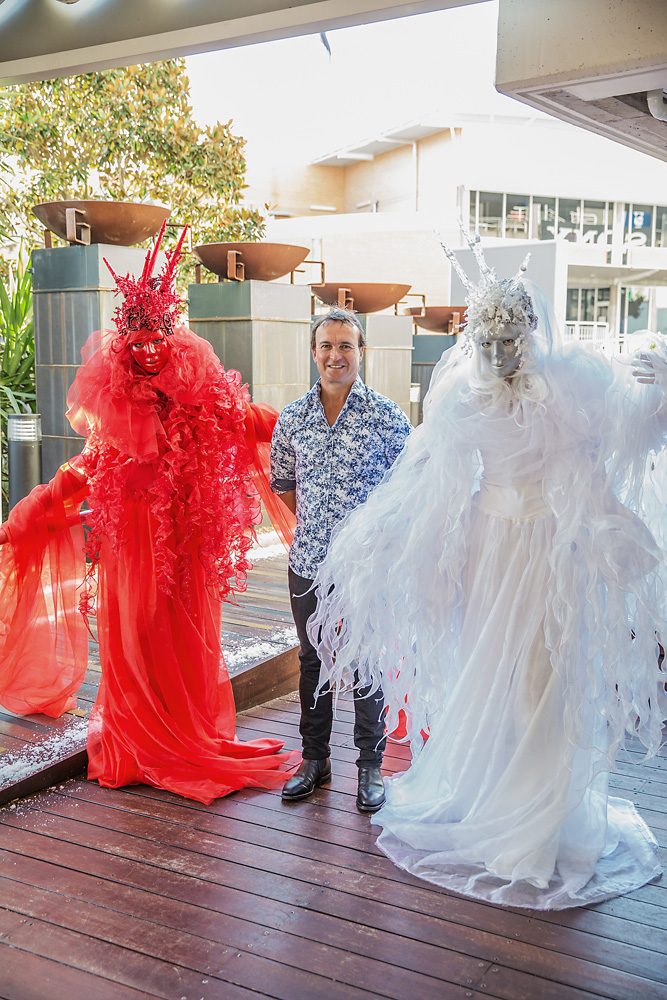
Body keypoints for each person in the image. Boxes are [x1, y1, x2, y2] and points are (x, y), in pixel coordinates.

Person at [307, 235, 667, 909]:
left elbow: (622, 436)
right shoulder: (461, 398)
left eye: (510, 340)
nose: (498, 354)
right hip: (486, 549)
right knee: (489, 677)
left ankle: (535, 827)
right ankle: (490, 799)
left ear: (531, 336)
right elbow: (428, 483)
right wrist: (393, 546)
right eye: (488, 341)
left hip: (541, 552)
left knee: (540, 681)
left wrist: (658, 389)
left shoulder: (571, 390)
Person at [0, 224, 298, 805]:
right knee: (133, 636)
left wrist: (317, 423)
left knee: (185, 640)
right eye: (136, 337)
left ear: (174, 337)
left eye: (158, 333)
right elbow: (78, 476)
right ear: (123, 346)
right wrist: (18, 524)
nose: (149, 348)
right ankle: (138, 743)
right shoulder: (117, 413)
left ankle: (182, 734)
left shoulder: (205, 400)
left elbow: (257, 421)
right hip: (129, 551)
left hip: (182, 547)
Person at [270, 307, 412, 810]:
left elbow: (409, 489)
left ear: (361, 352)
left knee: (367, 659)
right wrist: (320, 527)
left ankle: (370, 768)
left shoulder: (387, 416)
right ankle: (315, 760)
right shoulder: (293, 418)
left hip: (366, 567)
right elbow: (283, 487)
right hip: (309, 562)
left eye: (346, 346)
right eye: (327, 346)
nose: (336, 355)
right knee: (313, 659)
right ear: (314, 354)